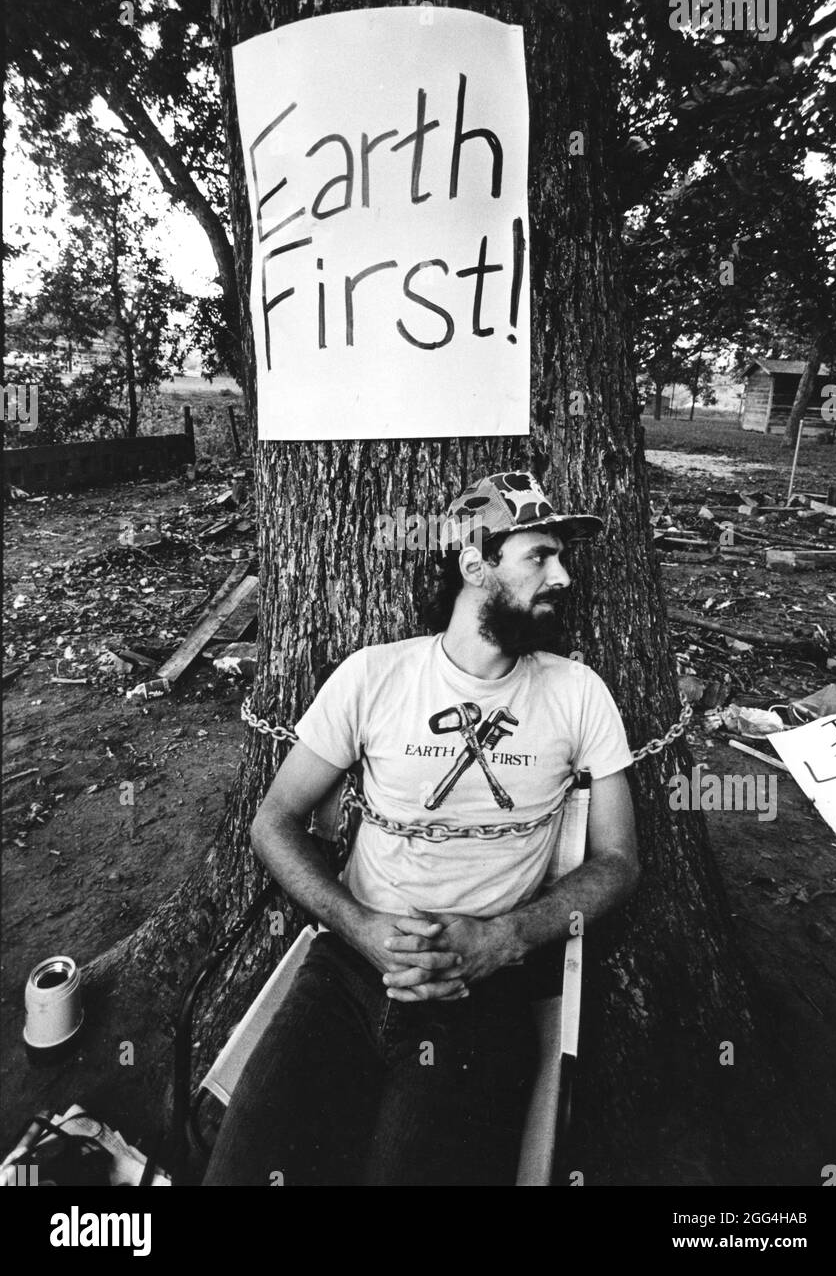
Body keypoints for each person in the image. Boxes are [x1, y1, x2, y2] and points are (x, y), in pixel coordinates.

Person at [203, 470, 639, 1187]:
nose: (561, 576)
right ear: (475, 564)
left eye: (562, 558)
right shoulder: (375, 677)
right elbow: (274, 822)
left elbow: (619, 861)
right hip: (345, 971)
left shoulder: (576, 693)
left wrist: (503, 939)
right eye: (539, 556)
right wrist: (356, 924)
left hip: (483, 986)